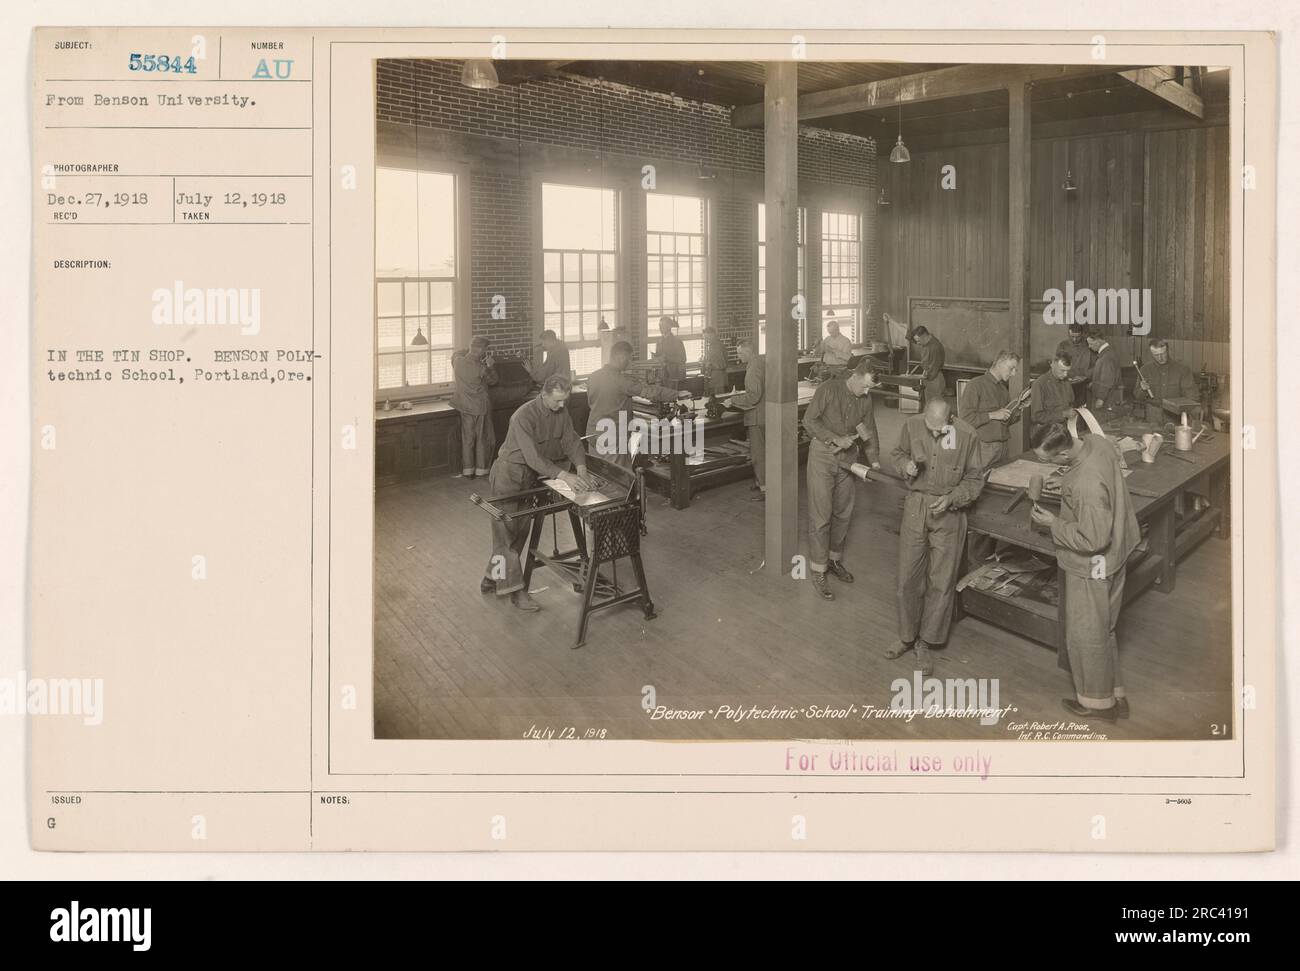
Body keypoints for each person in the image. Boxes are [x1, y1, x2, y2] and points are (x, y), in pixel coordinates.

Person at [1029, 422, 1141, 722]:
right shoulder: (1096, 442)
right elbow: (1092, 477)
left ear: (1063, 453)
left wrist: (1053, 523)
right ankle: (1113, 692)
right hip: (1117, 552)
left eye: (1049, 460)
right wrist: (1066, 485)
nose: (1047, 465)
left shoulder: (1086, 485)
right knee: (1105, 627)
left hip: (1093, 565)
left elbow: (1092, 539)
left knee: (1085, 634)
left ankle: (1097, 704)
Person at [887, 398, 985, 675]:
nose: (933, 433)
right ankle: (907, 636)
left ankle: (926, 642)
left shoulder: (967, 435)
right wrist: (904, 464)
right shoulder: (911, 425)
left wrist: (953, 498)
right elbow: (896, 453)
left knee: (940, 581)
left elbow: (975, 479)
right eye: (929, 428)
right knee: (907, 576)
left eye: (939, 430)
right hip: (916, 506)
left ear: (950, 419)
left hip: (949, 510)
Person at [480, 375, 590, 612]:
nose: (562, 406)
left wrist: (580, 467)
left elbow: (571, 440)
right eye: (558, 401)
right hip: (508, 475)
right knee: (505, 533)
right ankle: (517, 593)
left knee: (518, 533)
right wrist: (564, 476)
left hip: (530, 477)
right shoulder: (523, 416)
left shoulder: (561, 412)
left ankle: (492, 578)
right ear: (544, 395)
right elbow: (532, 457)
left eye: (565, 401)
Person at [801, 359, 883, 601]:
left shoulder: (865, 399)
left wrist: (874, 461)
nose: (867, 392)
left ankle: (834, 561)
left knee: (843, 513)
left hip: (849, 458)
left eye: (870, 389)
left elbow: (869, 430)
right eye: (865, 386)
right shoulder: (828, 389)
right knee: (821, 516)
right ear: (856, 376)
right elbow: (809, 421)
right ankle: (819, 569)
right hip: (823, 456)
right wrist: (835, 439)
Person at [586, 341, 689, 468]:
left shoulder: (592, 377)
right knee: (620, 478)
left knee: (598, 475)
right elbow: (649, 392)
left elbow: (592, 403)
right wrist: (677, 394)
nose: (629, 363)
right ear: (621, 357)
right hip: (612, 436)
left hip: (593, 432)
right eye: (629, 359)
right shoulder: (621, 380)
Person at [958, 350, 1021, 471]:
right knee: (979, 484)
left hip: (1003, 448)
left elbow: (1006, 421)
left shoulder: (1003, 390)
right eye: (1011, 368)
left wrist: (1018, 409)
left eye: (1015, 370)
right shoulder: (975, 385)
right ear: (999, 363)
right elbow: (964, 419)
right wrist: (992, 415)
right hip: (983, 449)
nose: (1013, 373)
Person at [450, 336, 498, 478]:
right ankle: (481, 470)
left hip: (464, 405)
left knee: (468, 439)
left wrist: (472, 350)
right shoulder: (482, 368)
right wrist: (491, 366)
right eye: (485, 350)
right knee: (483, 438)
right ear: (482, 350)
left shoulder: (457, 361)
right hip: (480, 406)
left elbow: (457, 354)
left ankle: (468, 470)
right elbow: (494, 381)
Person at [727, 338, 766, 499]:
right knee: (764, 451)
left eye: (740, 353)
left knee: (758, 454)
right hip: (765, 414)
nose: (739, 357)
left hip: (757, 416)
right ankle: (761, 482)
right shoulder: (760, 362)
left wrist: (732, 400)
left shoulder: (753, 368)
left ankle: (765, 489)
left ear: (749, 352)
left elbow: (754, 396)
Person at [1133, 338, 1198, 422]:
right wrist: (1142, 389)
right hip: (1153, 416)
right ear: (1151, 353)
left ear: (1167, 351)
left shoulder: (1183, 370)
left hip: (1175, 415)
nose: (1160, 358)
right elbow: (1137, 397)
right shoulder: (1145, 370)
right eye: (1156, 355)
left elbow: (1191, 396)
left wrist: (1189, 416)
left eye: (1163, 354)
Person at [1030, 350, 1076, 437]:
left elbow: (1071, 402)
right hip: (1048, 434)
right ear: (1052, 364)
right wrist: (1063, 414)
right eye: (1062, 370)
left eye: (1067, 371)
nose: (1065, 374)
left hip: (1064, 431)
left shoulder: (1066, 382)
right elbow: (1036, 416)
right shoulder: (1039, 384)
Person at [1057, 323, 1094, 406]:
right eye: (1072, 336)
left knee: (1081, 409)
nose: (1074, 339)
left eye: (1077, 337)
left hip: (1083, 384)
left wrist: (1085, 377)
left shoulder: (1090, 346)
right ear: (1069, 333)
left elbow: (1096, 366)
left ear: (1082, 334)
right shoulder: (1063, 345)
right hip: (1067, 383)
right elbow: (1057, 364)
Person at [908, 324, 946, 407]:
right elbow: (909, 336)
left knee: (936, 407)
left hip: (934, 379)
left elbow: (933, 370)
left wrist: (921, 378)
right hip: (929, 378)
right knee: (929, 405)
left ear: (924, 336)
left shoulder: (935, 347)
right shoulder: (925, 343)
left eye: (918, 341)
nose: (917, 344)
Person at [1086, 332, 1123, 413]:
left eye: (1091, 344)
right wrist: (1094, 382)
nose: (1089, 346)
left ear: (1098, 342)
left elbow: (1107, 380)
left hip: (1106, 400)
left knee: (1102, 422)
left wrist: (1100, 399)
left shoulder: (1106, 357)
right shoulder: (1107, 353)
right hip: (1107, 397)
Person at [654, 315, 688, 389]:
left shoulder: (677, 341)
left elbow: (683, 359)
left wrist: (667, 358)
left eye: (663, 325)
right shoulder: (659, 342)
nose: (660, 328)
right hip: (661, 377)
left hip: (673, 377)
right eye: (659, 325)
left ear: (669, 326)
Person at [701, 325, 730, 405]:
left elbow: (723, 364)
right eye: (705, 338)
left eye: (707, 338)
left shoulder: (717, 346)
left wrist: (709, 364)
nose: (706, 340)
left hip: (718, 379)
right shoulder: (712, 345)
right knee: (713, 403)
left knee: (719, 402)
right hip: (713, 379)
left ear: (712, 335)